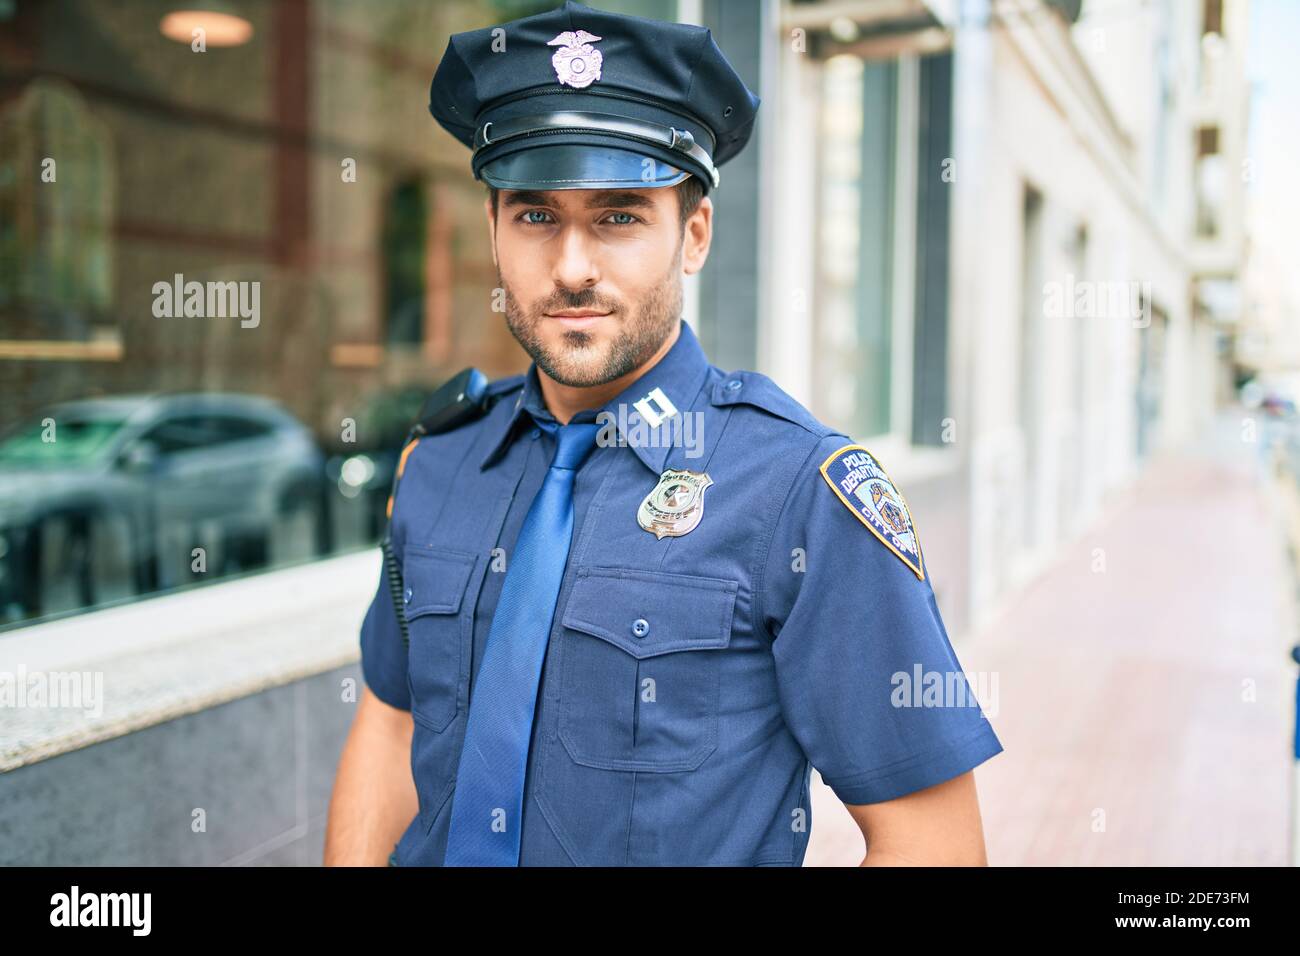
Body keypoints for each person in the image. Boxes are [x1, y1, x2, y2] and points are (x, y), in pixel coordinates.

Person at [324, 0, 1003, 867]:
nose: (571, 266)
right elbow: (389, 725)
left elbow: (932, 842)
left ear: (694, 235)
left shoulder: (801, 493)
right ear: (493, 230)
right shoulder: (440, 460)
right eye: (536, 215)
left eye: (618, 216)